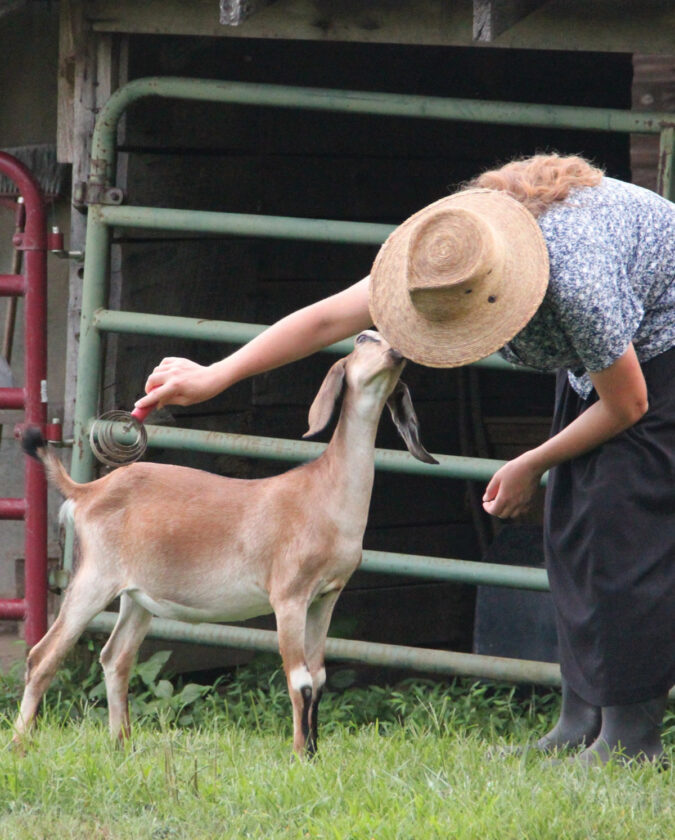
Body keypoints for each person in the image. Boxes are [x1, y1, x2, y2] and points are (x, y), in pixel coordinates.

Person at [136, 153, 674, 765]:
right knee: (572, 526)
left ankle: (632, 741)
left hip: (661, 351)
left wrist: (531, 462)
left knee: (620, 526)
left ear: (503, 294)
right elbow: (324, 319)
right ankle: (581, 722)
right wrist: (215, 376)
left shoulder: (579, 283)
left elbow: (629, 403)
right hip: (601, 358)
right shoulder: (444, 255)